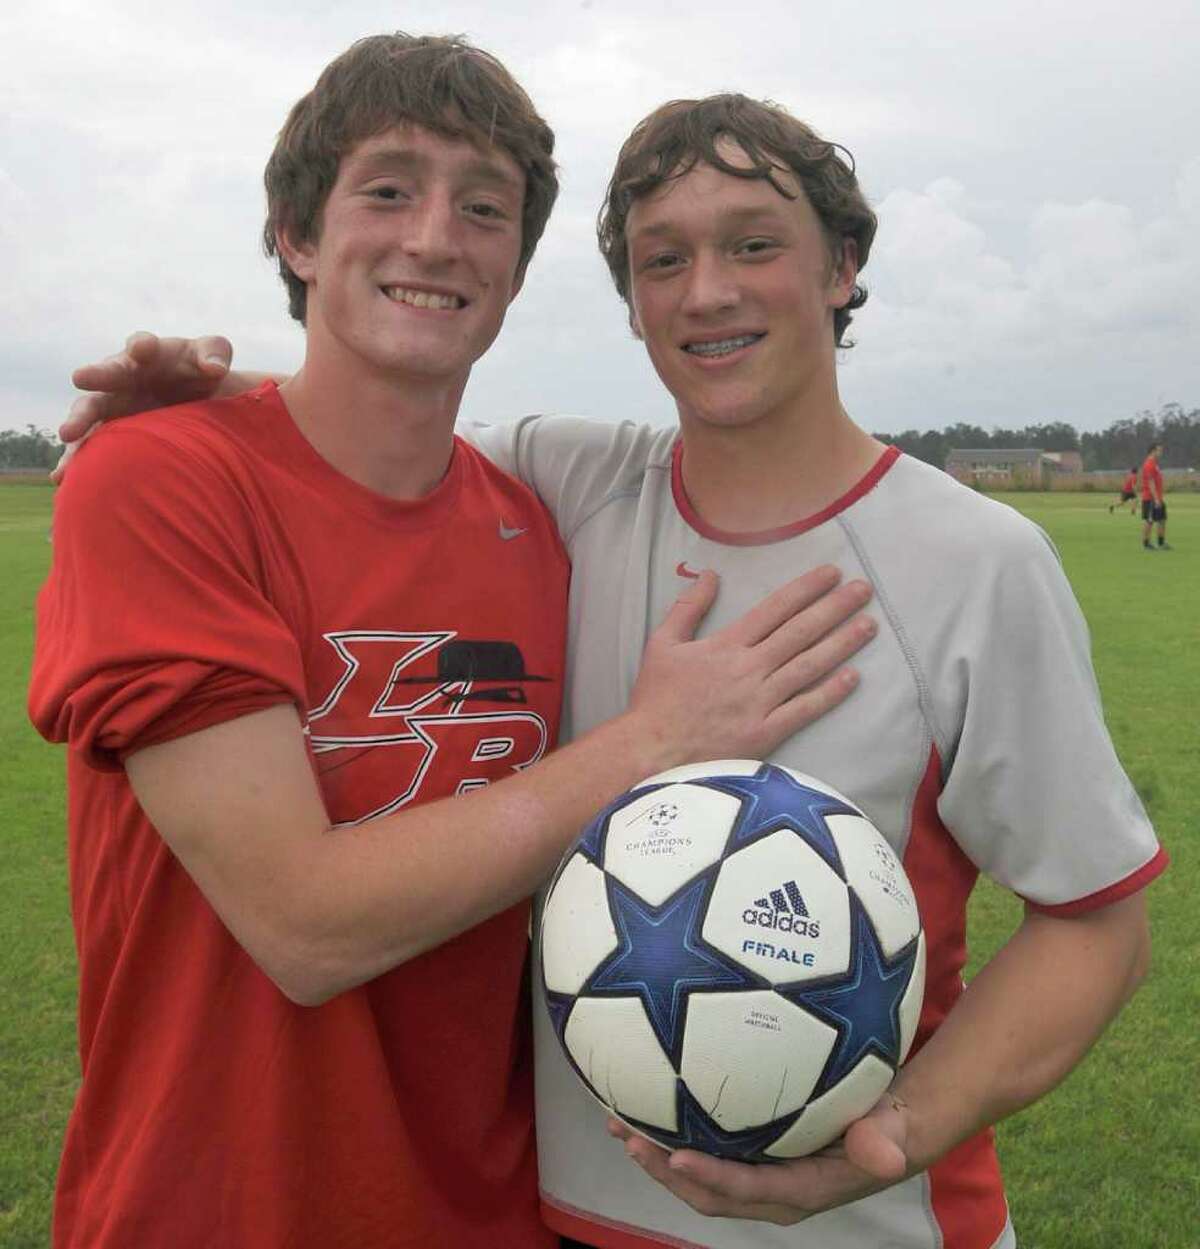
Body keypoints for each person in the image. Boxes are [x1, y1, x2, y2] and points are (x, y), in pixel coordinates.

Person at [59, 95, 1166, 1249]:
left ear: (842, 265)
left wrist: (896, 1132)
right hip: (560, 1225)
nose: (708, 292)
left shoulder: (978, 561)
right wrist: (195, 405)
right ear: (631, 304)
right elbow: (371, 425)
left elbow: (1098, 924)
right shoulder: (568, 486)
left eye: (753, 244)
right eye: (662, 260)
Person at [29, 42, 876, 1249]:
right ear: (297, 235)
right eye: (387, 190)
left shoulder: (532, 514)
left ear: (514, 271)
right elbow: (304, 926)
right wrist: (653, 741)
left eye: (485, 208)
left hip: (489, 1213)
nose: (436, 238)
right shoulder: (160, 477)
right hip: (210, 1210)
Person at [1139, 442, 1170, 549]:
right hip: (1150, 498)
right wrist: (1156, 499)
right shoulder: (1149, 464)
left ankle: (1161, 543)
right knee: (1149, 521)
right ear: (1153, 451)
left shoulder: (1155, 464)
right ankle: (1146, 544)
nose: (1161, 452)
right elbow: (1150, 482)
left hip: (1158, 498)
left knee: (1162, 520)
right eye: (1159, 450)